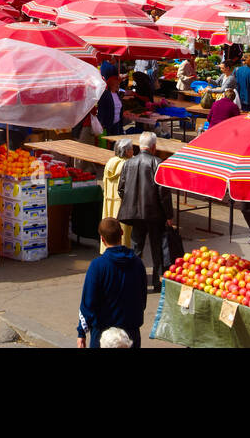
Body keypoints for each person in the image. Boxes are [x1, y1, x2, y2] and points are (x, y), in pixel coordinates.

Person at [76, 218, 148, 349]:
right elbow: (142, 299)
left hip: (103, 335)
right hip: (130, 333)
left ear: (102, 239)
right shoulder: (138, 263)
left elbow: (88, 303)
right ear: (122, 233)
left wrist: (81, 332)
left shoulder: (97, 266)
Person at [117, 132, 174, 292]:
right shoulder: (158, 163)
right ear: (154, 147)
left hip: (135, 214)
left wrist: (131, 201)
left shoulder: (129, 164)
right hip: (154, 214)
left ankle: (134, 280)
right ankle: (157, 281)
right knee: (157, 248)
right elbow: (164, 193)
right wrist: (169, 215)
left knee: (136, 247)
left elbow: (121, 189)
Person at [101, 139, 135, 253]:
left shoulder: (110, 163)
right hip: (123, 204)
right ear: (126, 151)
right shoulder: (129, 164)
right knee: (123, 231)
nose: (133, 151)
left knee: (109, 228)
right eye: (131, 149)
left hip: (109, 202)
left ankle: (106, 248)